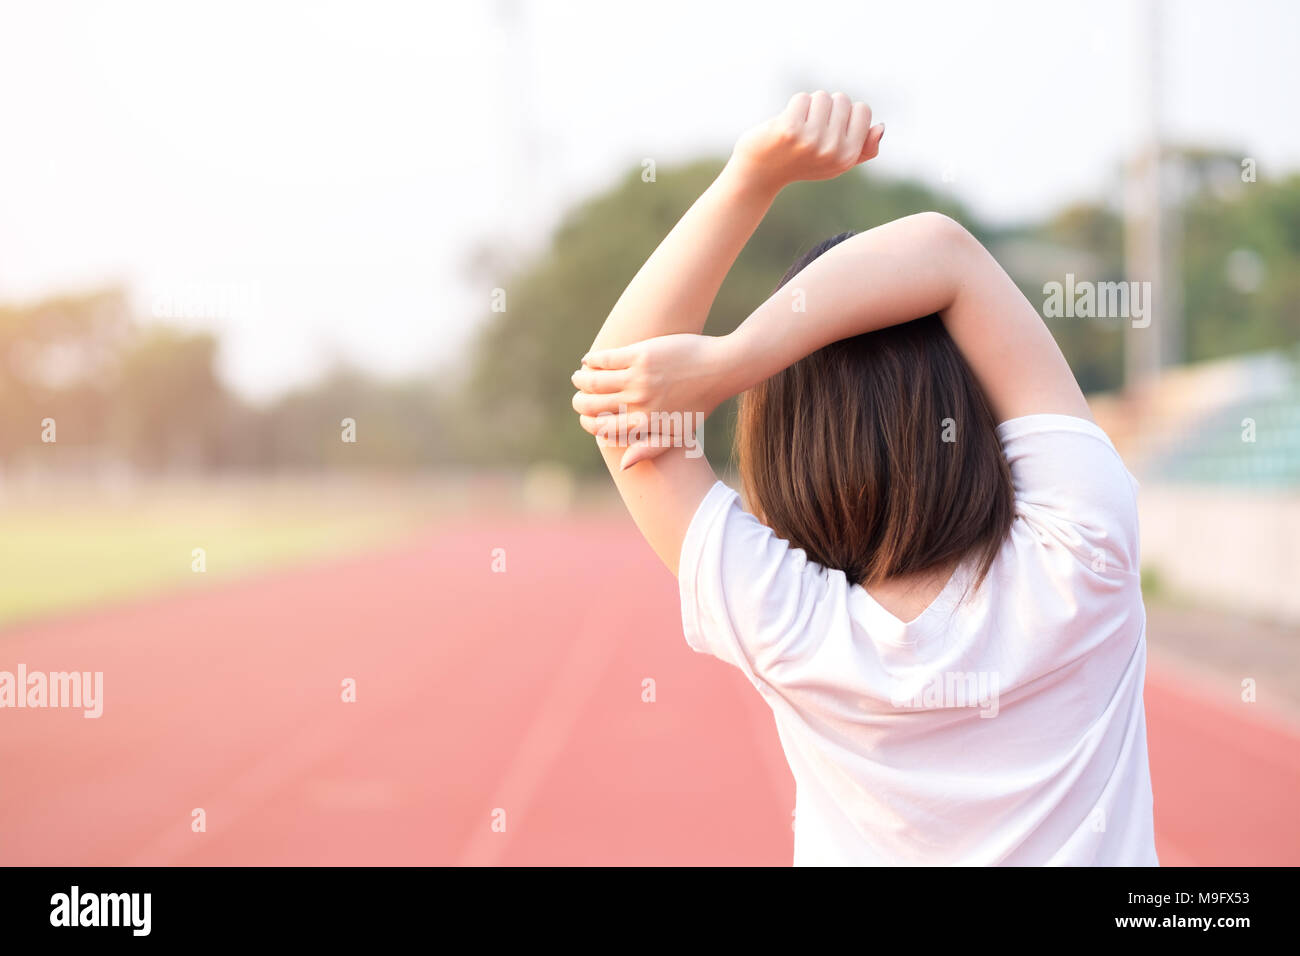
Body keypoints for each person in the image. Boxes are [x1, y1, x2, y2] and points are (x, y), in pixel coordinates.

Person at [570, 92, 1158, 866]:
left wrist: (750, 177)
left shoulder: (790, 626)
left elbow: (617, 391)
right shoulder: (1082, 546)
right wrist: (733, 359)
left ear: (783, 443)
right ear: (968, 406)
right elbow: (943, 256)